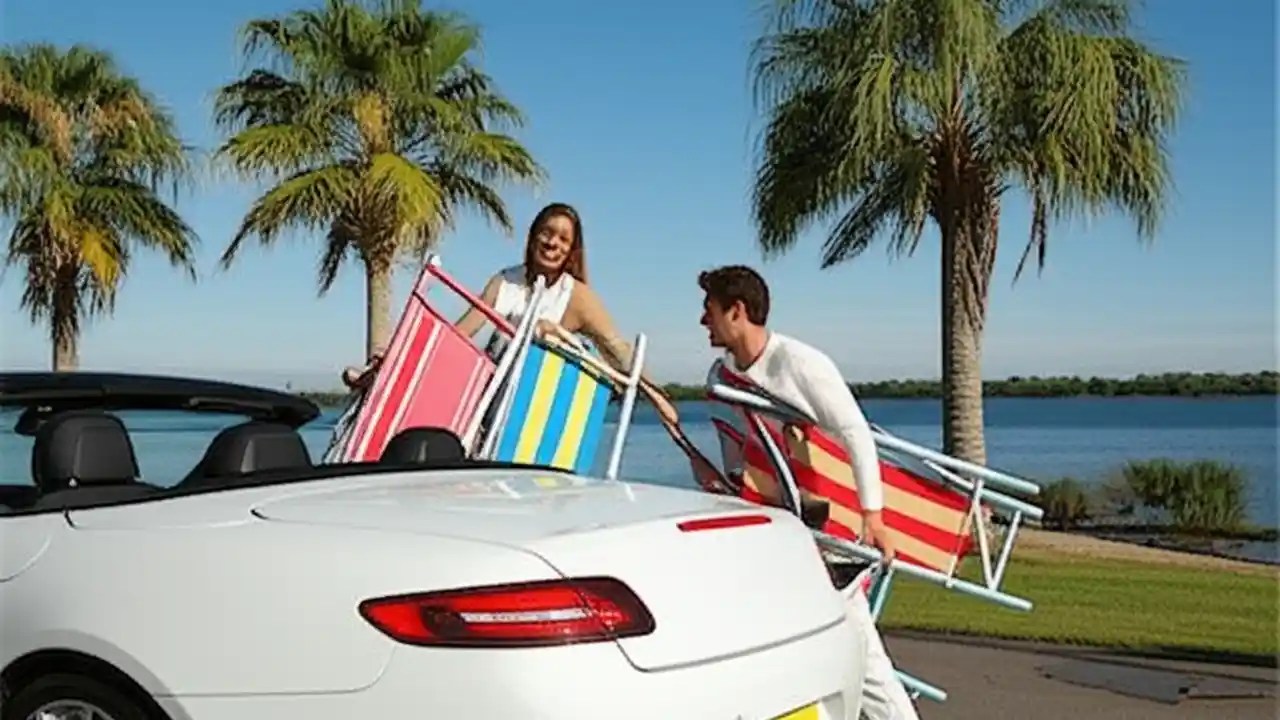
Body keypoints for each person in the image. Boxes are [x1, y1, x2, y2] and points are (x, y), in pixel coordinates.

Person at [693, 264, 918, 720]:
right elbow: (741, 462)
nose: (703, 320)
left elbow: (856, 433)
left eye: (709, 309)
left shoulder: (798, 362)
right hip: (776, 536)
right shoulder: (722, 377)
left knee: (863, 663)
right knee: (790, 659)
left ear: (737, 312)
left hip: (828, 538)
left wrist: (872, 516)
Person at [449, 202, 680, 425]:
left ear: (572, 250)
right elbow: (459, 335)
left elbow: (618, 350)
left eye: (563, 239)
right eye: (546, 233)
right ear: (532, 237)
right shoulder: (504, 281)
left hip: (533, 415)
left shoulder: (577, 297)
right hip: (485, 406)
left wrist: (657, 398)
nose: (552, 243)